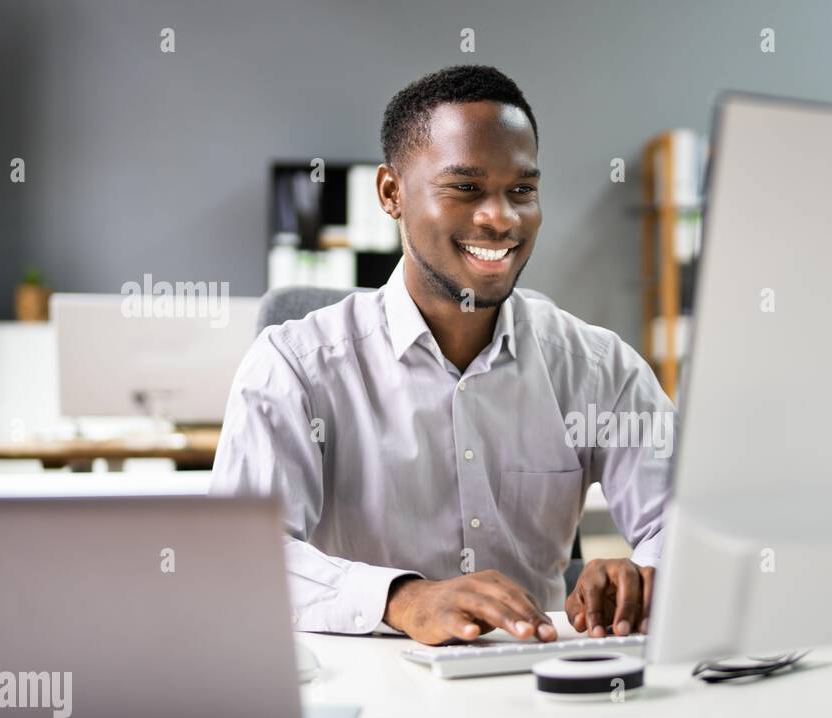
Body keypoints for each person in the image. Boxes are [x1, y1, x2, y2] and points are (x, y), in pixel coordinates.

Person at [211, 65, 676, 646]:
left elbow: (686, 520)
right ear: (391, 193)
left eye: (522, 191)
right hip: (368, 693)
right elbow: (241, 560)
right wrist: (403, 598)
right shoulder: (296, 365)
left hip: (536, 683)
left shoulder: (596, 365)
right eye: (466, 188)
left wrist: (645, 576)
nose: (501, 217)